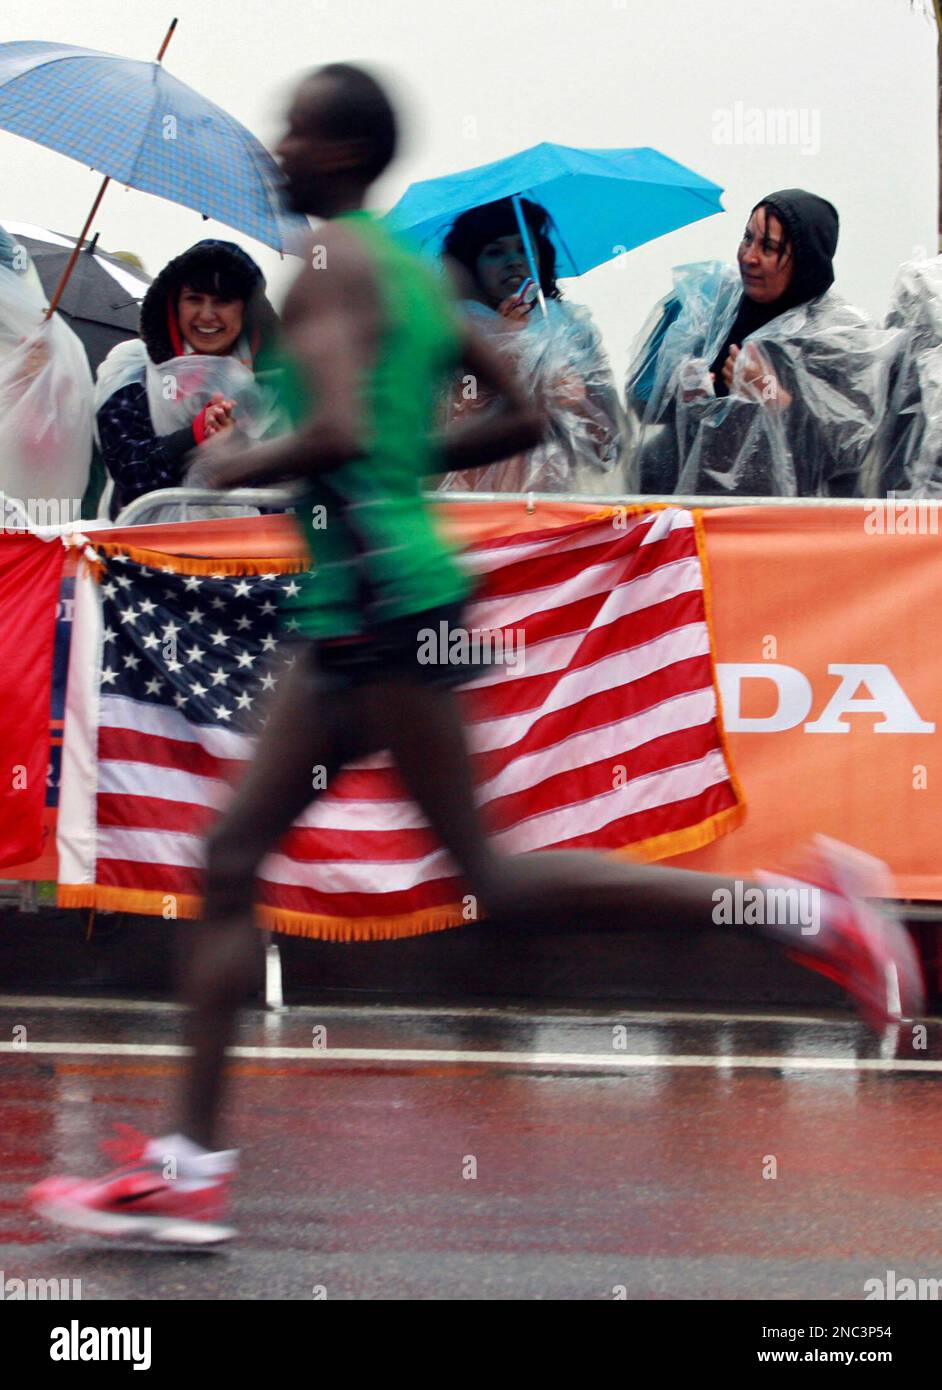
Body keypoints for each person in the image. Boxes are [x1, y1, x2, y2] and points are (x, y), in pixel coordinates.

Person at [29, 67, 924, 1245]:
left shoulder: (338, 268)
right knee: (269, 856)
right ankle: (190, 1168)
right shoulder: (411, 277)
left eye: (300, 130)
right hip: (361, 603)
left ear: (343, 151)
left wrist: (243, 463)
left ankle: (805, 911)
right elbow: (514, 414)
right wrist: (386, 451)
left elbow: (349, 426)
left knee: (428, 870)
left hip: (381, 608)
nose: (279, 148)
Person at [625, 191, 900, 496]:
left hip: (785, 524)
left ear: (807, 259)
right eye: (747, 239)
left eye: (769, 247)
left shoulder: (841, 337)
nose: (749, 256)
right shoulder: (704, 305)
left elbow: (850, 450)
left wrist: (774, 399)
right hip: (691, 513)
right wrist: (679, 392)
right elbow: (641, 401)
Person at [437, 197, 625, 493]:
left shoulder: (570, 328)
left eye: (524, 249)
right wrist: (505, 346)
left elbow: (608, 446)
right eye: (495, 252)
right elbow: (450, 431)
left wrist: (576, 401)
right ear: (470, 266)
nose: (513, 260)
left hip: (561, 506)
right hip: (481, 509)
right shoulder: (452, 332)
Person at [94, 239, 283, 521]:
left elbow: (287, 491)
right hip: (141, 557)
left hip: (247, 558)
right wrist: (193, 435)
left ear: (247, 309)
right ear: (173, 304)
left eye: (223, 301)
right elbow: (130, 474)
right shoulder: (133, 370)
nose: (207, 315)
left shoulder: (274, 384)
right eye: (194, 299)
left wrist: (236, 444)